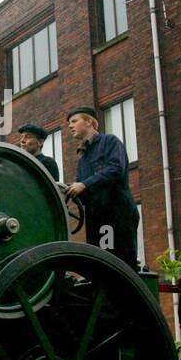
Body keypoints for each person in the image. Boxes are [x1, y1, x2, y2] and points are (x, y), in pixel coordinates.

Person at [63, 105, 140, 269]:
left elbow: (115, 169)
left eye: (74, 121)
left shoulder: (109, 142)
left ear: (89, 122)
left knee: (116, 262)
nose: (70, 126)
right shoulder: (82, 158)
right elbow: (82, 190)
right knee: (100, 263)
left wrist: (84, 185)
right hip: (96, 217)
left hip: (114, 214)